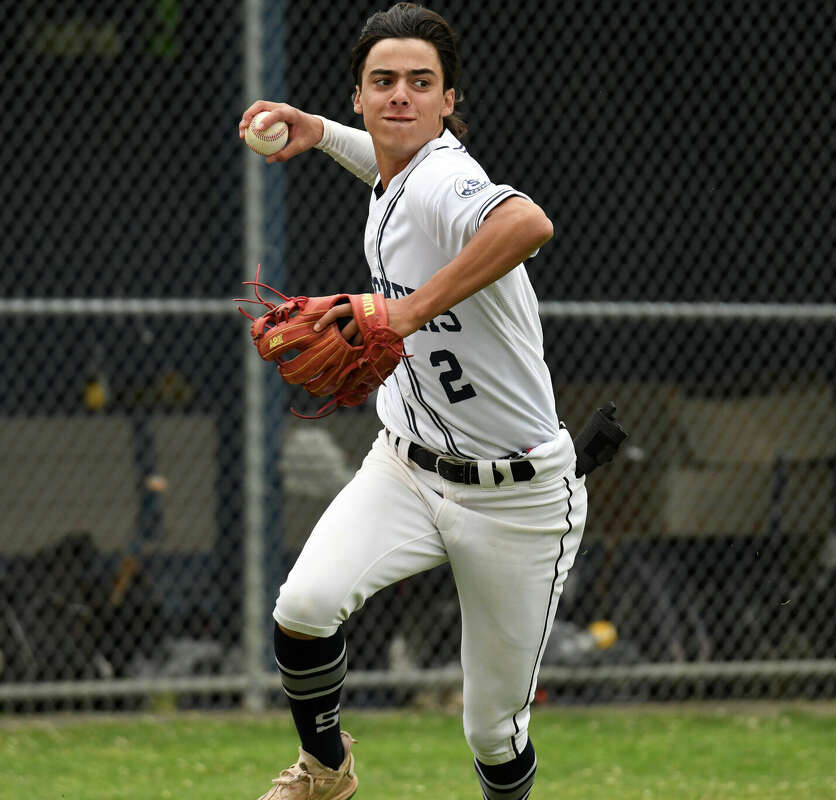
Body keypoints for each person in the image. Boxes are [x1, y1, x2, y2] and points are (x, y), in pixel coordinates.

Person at [238, 4, 586, 799]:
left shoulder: (443, 177)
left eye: (421, 84)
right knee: (304, 605)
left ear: (449, 102)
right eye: (383, 82)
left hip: (519, 496)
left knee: (493, 733)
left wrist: (401, 311)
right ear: (358, 95)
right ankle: (326, 771)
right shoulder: (401, 172)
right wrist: (320, 133)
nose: (401, 97)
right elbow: (390, 167)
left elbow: (527, 221)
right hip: (406, 463)